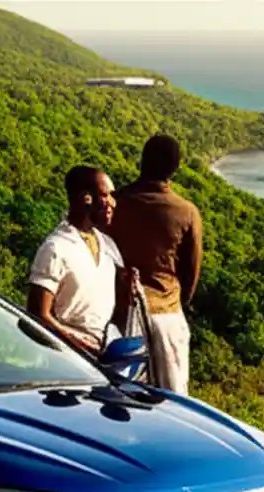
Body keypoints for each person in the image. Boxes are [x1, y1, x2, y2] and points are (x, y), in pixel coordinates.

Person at [107, 135, 203, 395]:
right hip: (166, 313)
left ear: (142, 162)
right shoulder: (186, 212)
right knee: (172, 398)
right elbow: (190, 272)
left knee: (117, 394)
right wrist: (181, 301)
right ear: (175, 169)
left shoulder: (115, 204)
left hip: (115, 313)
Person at [26, 166, 134, 357]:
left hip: (100, 354)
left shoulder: (107, 245)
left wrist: (127, 287)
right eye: (106, 195)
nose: (113, 203)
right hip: (63, 357)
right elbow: (37, 315)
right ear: (86, 198)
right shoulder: (56, 248)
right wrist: (76, 342)